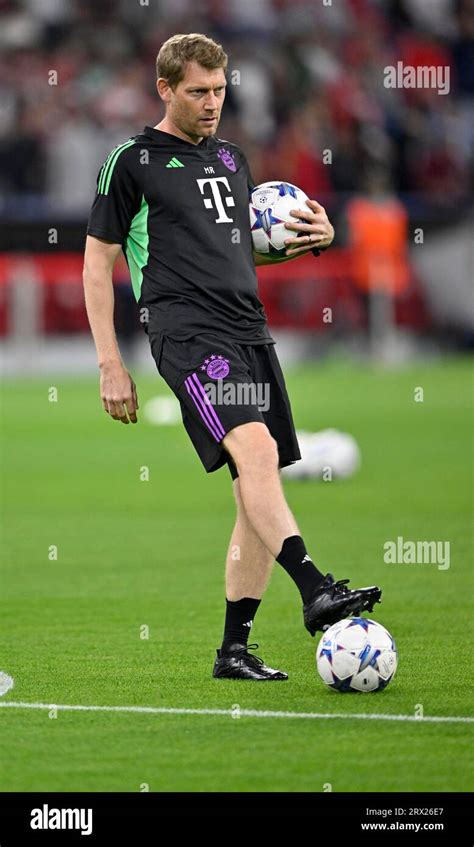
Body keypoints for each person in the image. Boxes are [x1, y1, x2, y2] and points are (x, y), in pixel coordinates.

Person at [83, 33, 382, 682]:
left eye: (219, 90)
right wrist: (110, 362)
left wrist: (312, 239)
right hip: (187, 333)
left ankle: (234, 650)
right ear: (165, 89)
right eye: (198, 91)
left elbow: (239, 255)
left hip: (248, 330)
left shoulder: (230, 158)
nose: (212, 102)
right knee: (254, 448)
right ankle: (315, 587)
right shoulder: (130, 161)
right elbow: (96, 262)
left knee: (256, 480)